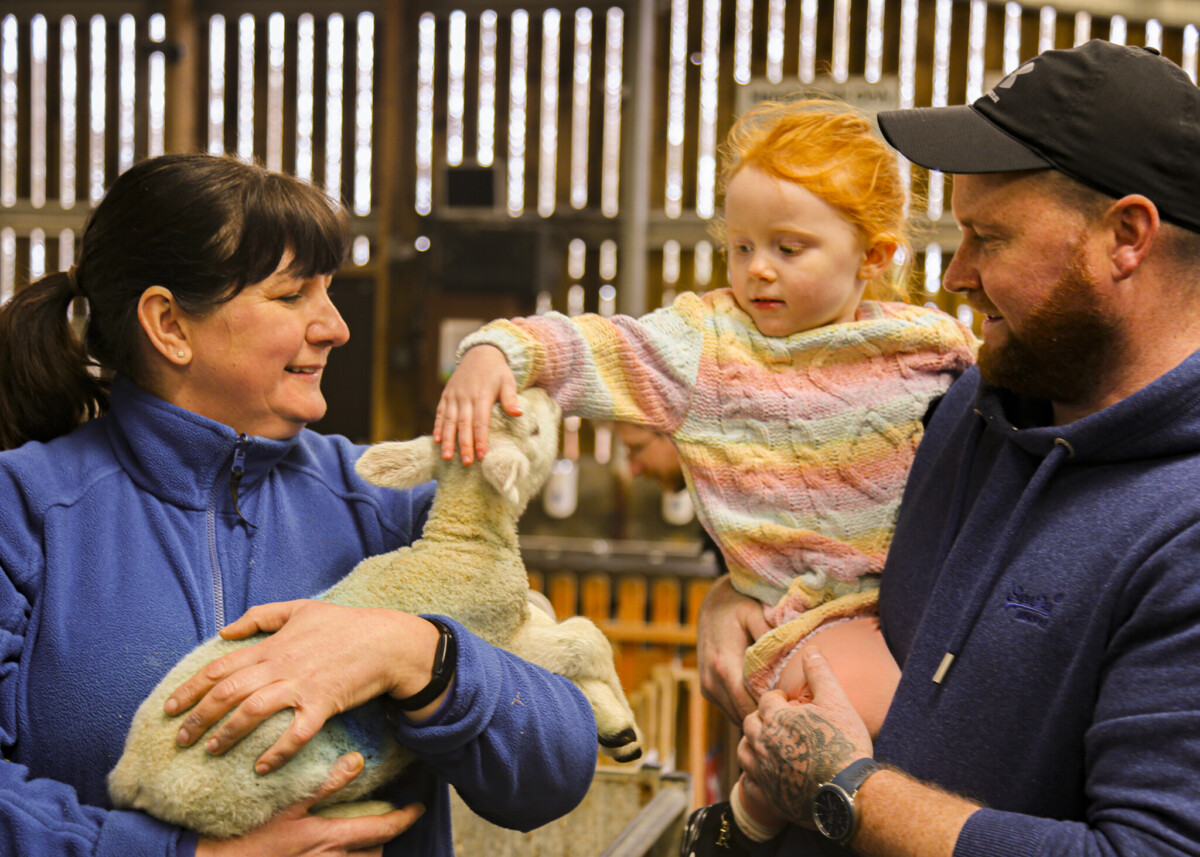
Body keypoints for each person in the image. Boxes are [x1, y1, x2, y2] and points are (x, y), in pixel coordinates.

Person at [0, 153, 597, 857]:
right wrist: (180, 855)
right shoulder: (26, 509)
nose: (336, 326)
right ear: (169, 325)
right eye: (292, 296)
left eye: (328, 290)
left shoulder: (387, 503)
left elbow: (556, 768)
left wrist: (415, 653)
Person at [701, 39, 1200, 856]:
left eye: (988, 237)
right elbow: (821, 514)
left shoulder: (1183, 528)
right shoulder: (968, 403)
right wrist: (732, 594)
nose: (955, 274)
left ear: (1128, 236)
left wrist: (849, 793)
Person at [434, 100, 976, 852]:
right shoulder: (710, 344)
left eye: (790, 248)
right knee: (864, 705)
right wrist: (500, 350)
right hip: (801, 613)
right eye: (742, 244)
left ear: (874, 255)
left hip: (902, 598)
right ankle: (739, 824)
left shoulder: (926, 346)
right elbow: (595, 345)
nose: (758, 268)